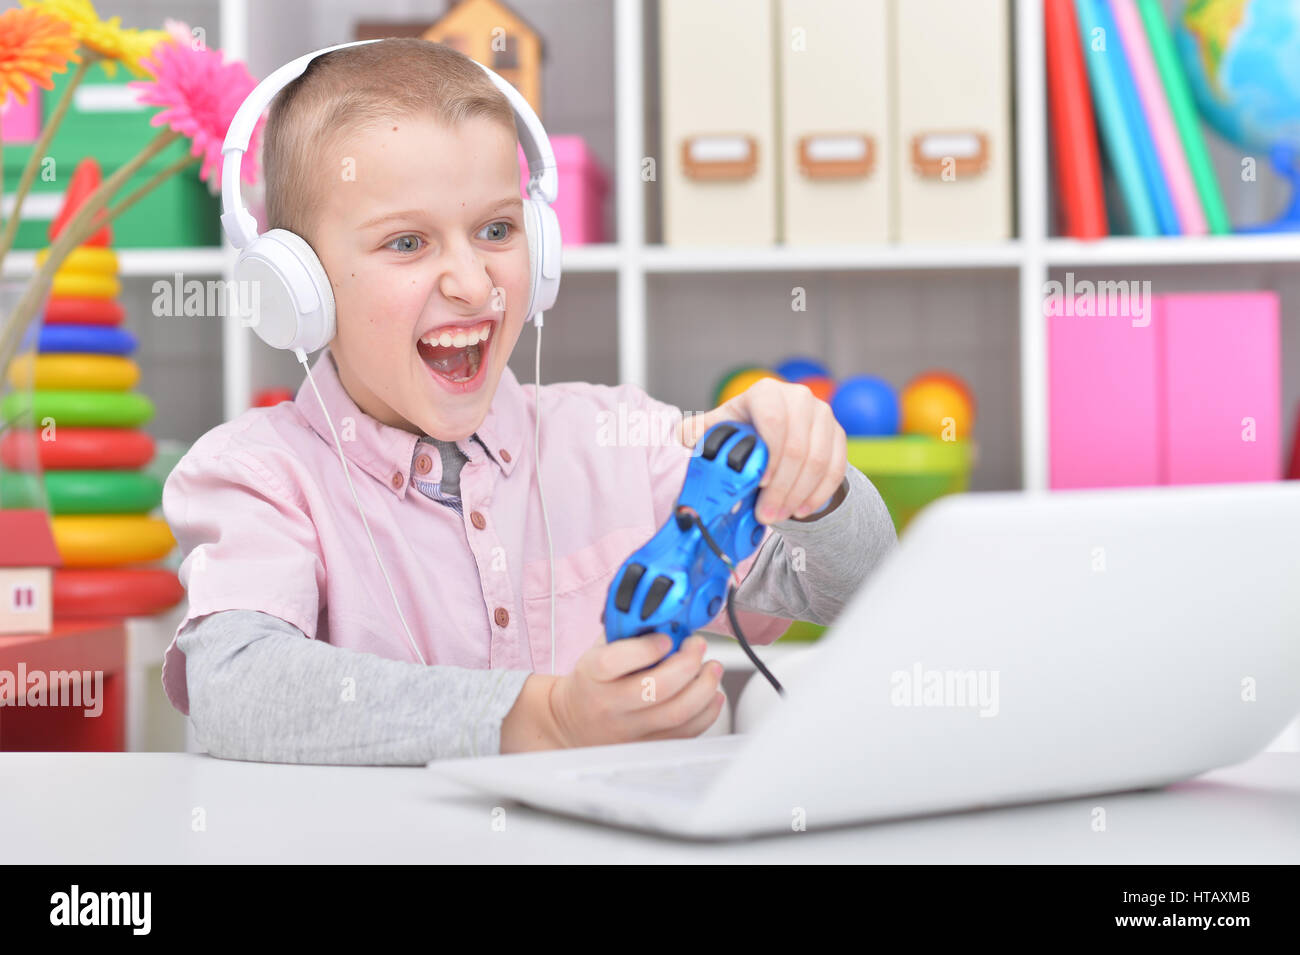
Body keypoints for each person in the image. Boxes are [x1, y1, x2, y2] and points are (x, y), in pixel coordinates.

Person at [160, 38, 896, 765]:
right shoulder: (258, 474)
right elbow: (237, 687)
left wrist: (814, 488)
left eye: (496, 230)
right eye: (408, 243)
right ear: (299, 288)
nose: (474, 284)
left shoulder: (620, 442)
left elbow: (855, 592)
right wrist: (544, 718)